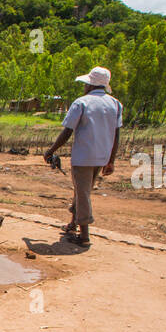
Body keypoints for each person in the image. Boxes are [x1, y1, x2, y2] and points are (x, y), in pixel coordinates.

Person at [44, 66, 122, 247]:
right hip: (102, 156)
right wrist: (111, 160)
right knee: (81, 190)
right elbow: (116, 134)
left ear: (89, 84)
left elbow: (67, 131)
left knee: (83, 192)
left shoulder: (82, 103)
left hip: (83, 156)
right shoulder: (115, 104)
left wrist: (51, 150)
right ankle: (72, 223)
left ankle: (84, 235)